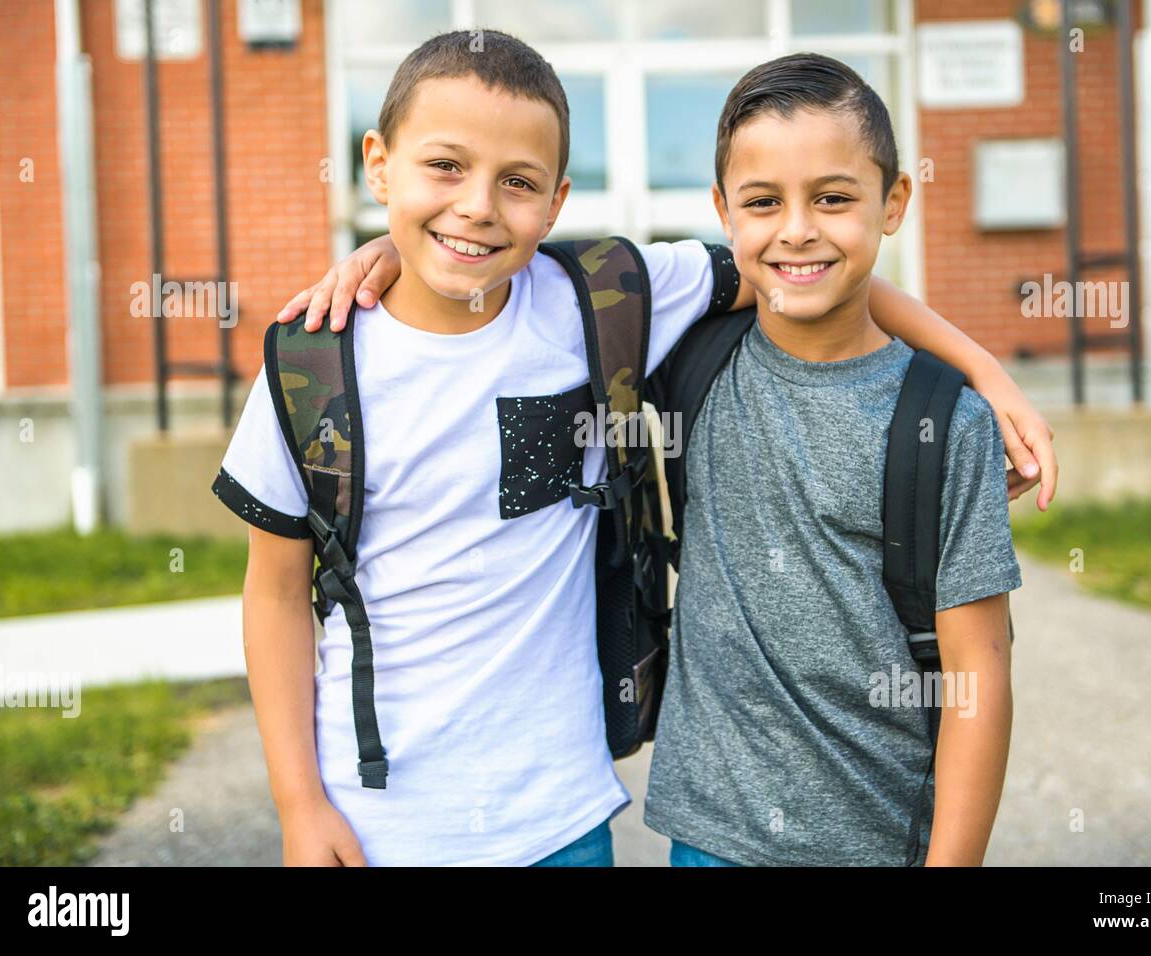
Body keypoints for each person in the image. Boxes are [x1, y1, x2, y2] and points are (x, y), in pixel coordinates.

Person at [234, 30, 1052, 866]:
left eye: (516, 183)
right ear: (377, 165)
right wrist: (298, 805)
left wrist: (984, 371)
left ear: (555, 203)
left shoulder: (601, 303)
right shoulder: (312, 365)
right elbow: (272, 597)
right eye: (445, 168)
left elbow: (809, 273)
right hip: (381, 826)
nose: (477, 205)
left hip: (564, 819)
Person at [644, 53, 1021, 866]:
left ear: (893, 204)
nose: (797, 229)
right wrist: (388, 257)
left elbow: (978, 682)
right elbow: (519, 285)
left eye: (833, 198)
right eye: (763, 202)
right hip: (710, 836)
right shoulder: (690, 355)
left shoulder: (947, 420)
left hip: (881, 838)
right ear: (723, 212)